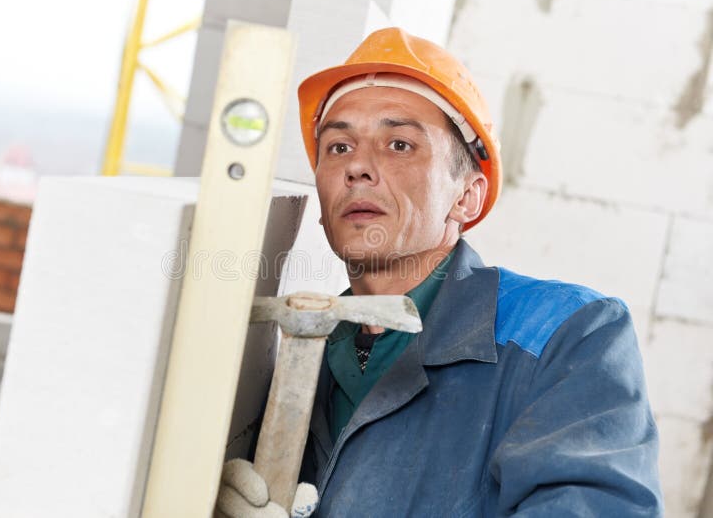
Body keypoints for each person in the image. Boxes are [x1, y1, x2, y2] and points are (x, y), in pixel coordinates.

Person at [215, 27, 662, 517]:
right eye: (338, 147)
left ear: (466, 196)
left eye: (399, 144)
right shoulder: (302, 358)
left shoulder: (568, 335)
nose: (357, 167)